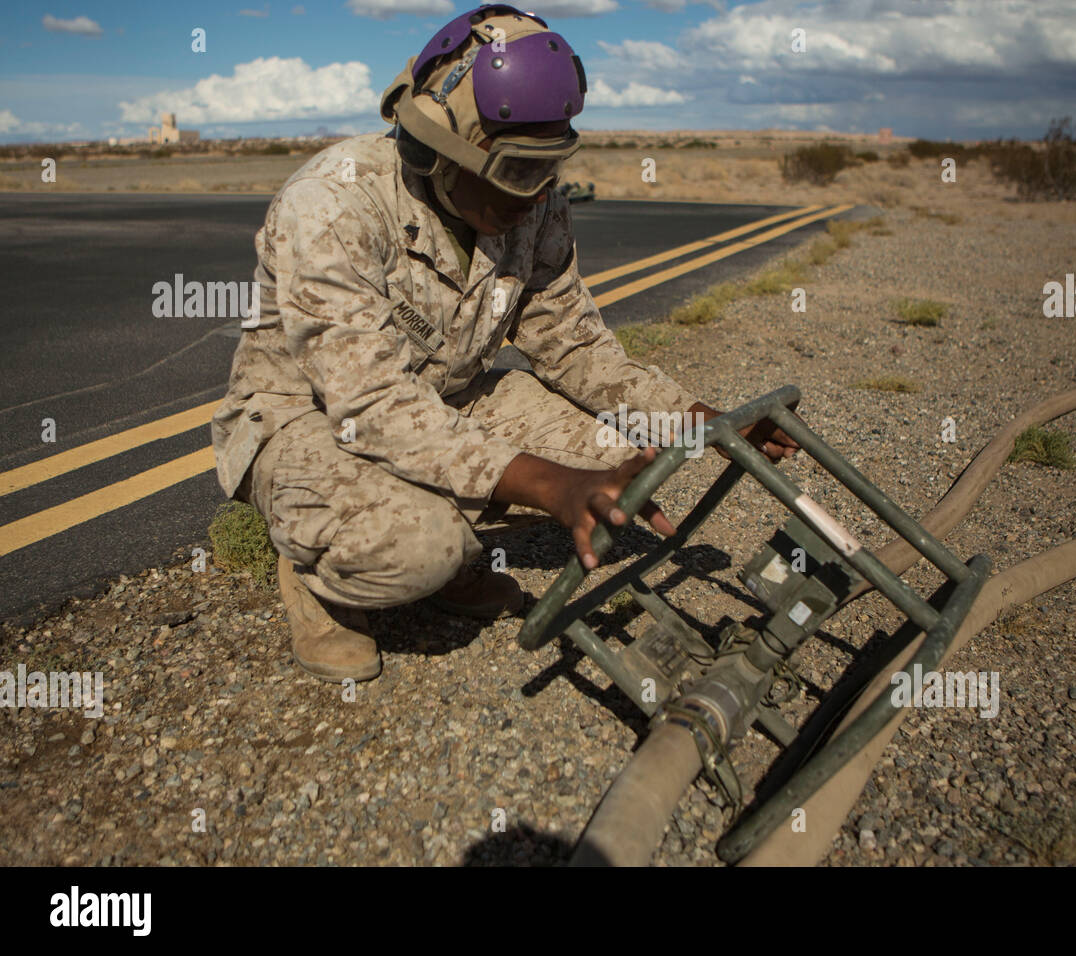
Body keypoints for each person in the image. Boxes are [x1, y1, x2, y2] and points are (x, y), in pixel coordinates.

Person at [211, 3, 796, 684]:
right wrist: (547, 486)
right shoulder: (333, 203)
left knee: (620, 464)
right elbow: (368, 402)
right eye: (520, 171)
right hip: (309, 417)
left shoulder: (534, 202)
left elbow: (574, 344)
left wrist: (702, 421)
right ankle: (323, 576)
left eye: (551, 168)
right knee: (416, 545)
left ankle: (456, 557)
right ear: (434, 149)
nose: (537, 195)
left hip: (445, 395)